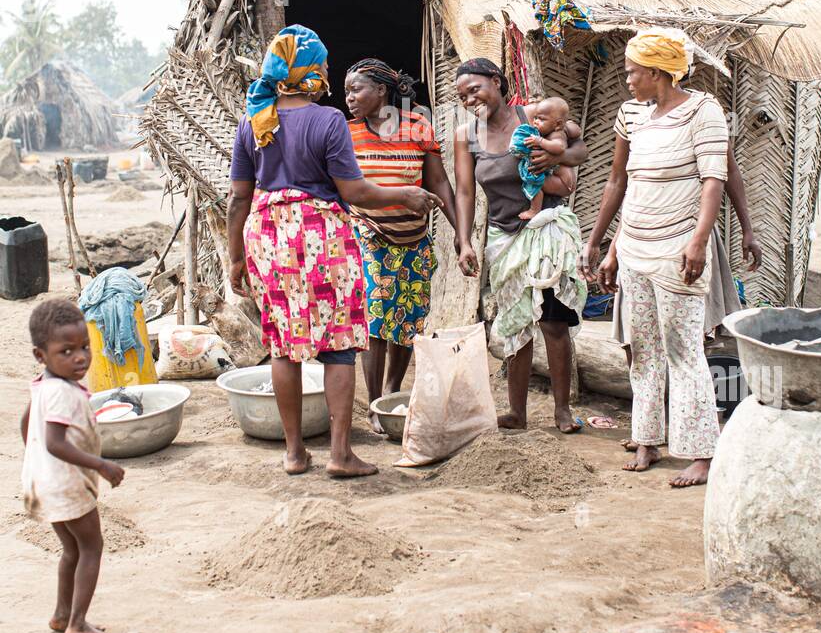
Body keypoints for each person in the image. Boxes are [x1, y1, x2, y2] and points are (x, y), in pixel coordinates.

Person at [227, 25, 441, 479]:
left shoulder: (253, 122)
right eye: (323, 64)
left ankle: (293, 452)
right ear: (307, 70)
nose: (327, 71)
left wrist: (235, 256)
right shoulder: (327, 122)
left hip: (268, 236)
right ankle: (341, 455)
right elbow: (355, 191)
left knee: (283, 347)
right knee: (339, 346)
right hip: (321, 235)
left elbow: (237, 199)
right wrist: (406, 196)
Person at [582, 28, 728, 487]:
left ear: (657, 72)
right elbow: (623, 185)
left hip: (676, 249)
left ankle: (702, 452)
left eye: (632, 72)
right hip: (636, 248)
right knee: (642, 352)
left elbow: (713, 180)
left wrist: (699, 241)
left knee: (684, 351)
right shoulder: (632, 115)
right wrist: (609, 246)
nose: (627, 79)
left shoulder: (703, 112)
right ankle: (647, 439)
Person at [453, 57, 588, 433]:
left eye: (475, 89)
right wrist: (464, 241)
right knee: (515, 322)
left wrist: (557, 153)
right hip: (503, 236)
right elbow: (465, 192)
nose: (470, 100)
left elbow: (580, 148)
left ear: (496, 82)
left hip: (547, 230)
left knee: (554, 321)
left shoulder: (534, 116)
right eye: (462, 96)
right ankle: (517, 411)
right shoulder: (466, 135)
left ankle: (562, 410)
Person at [344, 58, 458, 429]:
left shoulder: (417, 126)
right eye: (347, 90)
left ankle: (393, 393)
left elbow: (438, 181)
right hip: (369, 232)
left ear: (381, 90)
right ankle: (376, 402)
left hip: (414, 238)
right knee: (377, 315)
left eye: (355, 89)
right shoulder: (346, 133)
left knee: (408, 321)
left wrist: (460, 232)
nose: (348, 97)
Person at [20, 299, 125, 633]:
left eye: (83, 347)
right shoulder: (63, 394)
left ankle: (61, 614)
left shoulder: (43, 385)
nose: (80, 357)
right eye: (66, 351)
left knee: (72, 550)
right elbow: (55, 443)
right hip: (66, 485)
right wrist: (102, 465)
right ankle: (77, 623)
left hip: (43, 482)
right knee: (92, 548)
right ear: (41, 355)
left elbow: (26, 422)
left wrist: (34, 459)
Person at [510, 96, 575, 222]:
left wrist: (540, 141)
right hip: (560, 178)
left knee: (534, 181)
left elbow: (560, 148)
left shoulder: (557, 134)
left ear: (558, 124)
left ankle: (534, 210)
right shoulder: (548, 132)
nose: (535, 122)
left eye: (541, 119)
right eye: (535, 118)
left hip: (564, 181)